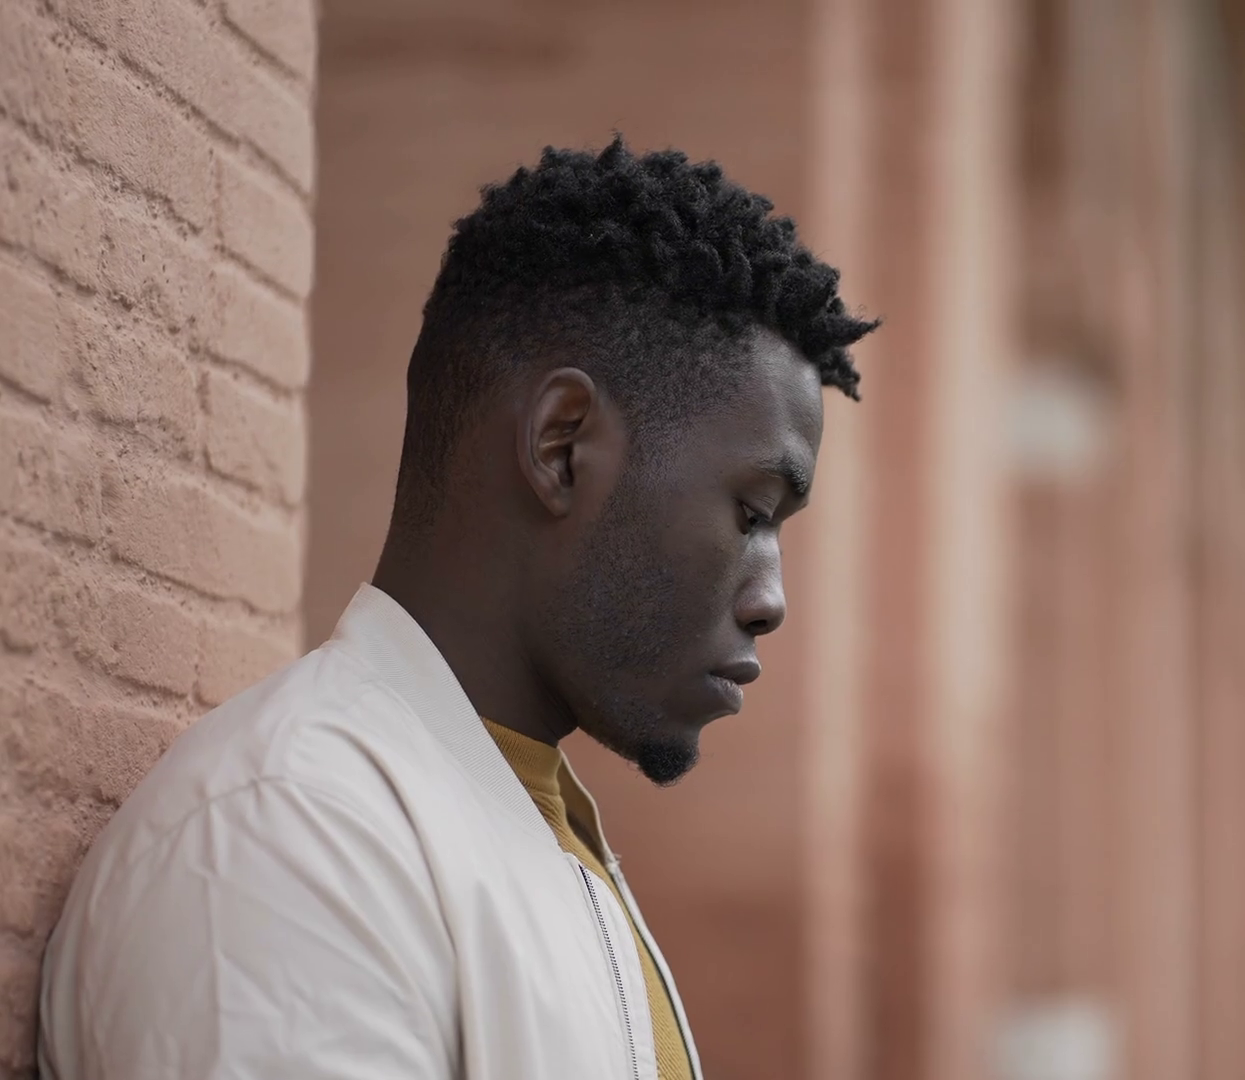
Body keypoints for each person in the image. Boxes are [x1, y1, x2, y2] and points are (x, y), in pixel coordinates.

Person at [38, 138, 876, 1080]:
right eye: (753, 513)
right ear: (562, 447)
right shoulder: (292, 844)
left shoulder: (520, 825)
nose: (772, 601)